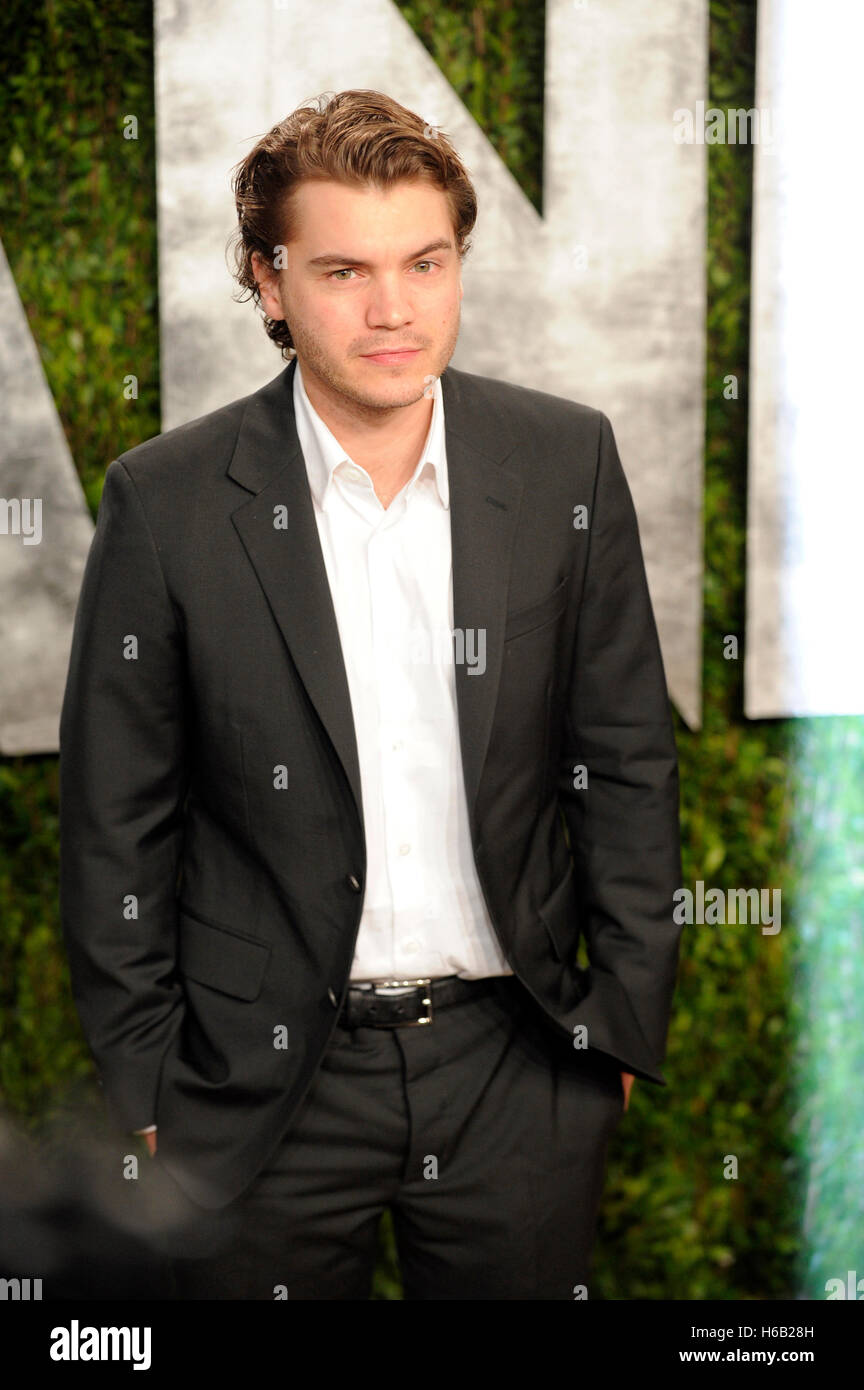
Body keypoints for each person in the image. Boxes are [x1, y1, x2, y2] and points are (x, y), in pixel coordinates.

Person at [59, 88, 683, 1300]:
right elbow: (114, 822)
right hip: (260, 1083)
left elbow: (625, 758)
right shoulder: (167, 501)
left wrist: (617, 1023)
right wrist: (145, 1087)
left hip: (522, 1063)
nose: (393, 309)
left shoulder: (566, 458)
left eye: (425, 262)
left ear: (457, 264)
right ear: (270, 278)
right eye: (343, 269)